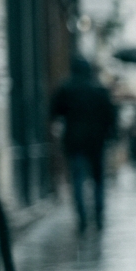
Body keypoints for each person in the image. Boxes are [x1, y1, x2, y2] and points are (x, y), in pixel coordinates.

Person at [50, 56, 116, 232]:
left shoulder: (66, 89)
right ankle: (99, 216)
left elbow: (54, 113)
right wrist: (109, 135)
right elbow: (111, 116)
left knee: (78, 180)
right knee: (98, 180)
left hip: (75, 141)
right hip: (96, 142)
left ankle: (82, 219)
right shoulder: (99, 90)